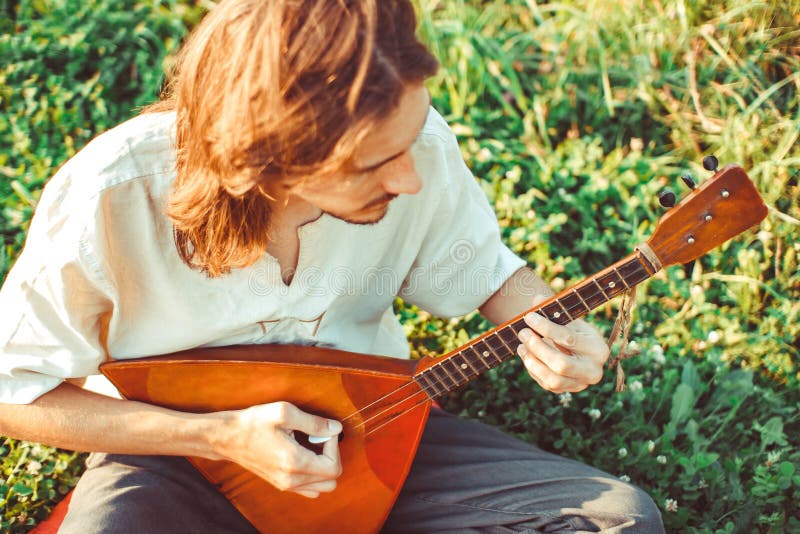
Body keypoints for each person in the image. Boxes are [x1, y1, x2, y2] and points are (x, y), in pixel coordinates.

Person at [0, 0, 664, 531]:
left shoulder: (417, 150)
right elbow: (12, 393)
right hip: (180, 458)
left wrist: (555, 325)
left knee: (616, 520)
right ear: (260, 165)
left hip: (370, 429)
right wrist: (220, 438)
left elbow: (487, 270)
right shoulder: (111, 195)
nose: (409, 178)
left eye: (410, 140)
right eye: (374, 164)